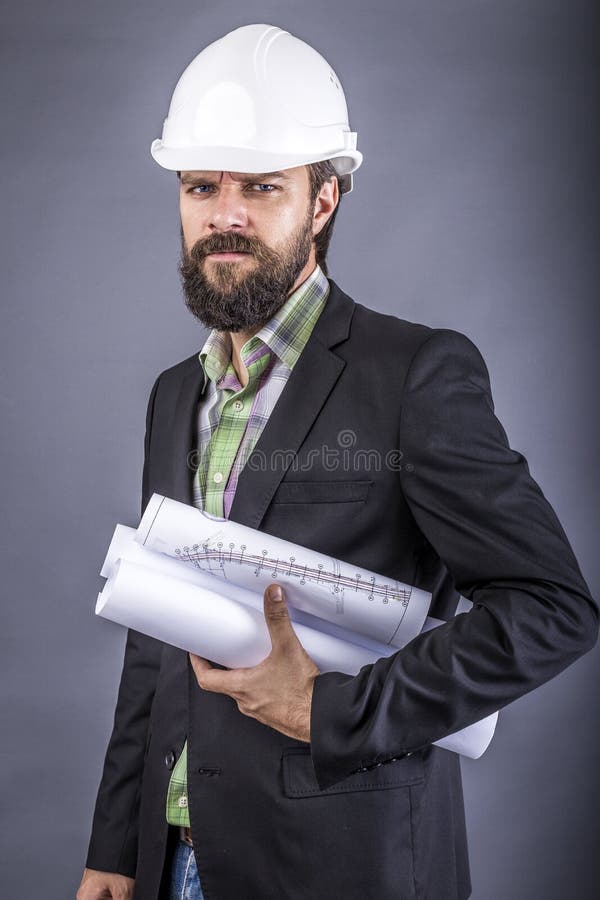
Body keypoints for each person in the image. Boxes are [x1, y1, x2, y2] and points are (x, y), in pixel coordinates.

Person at [77, 23, 597, 900]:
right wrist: (115, 849)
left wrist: (330, 710)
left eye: (261, 188)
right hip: (172, 858)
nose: (225, 215)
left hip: (338, 864)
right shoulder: (176, 394)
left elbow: (553, 610)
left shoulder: (413, 375)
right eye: (202, 186)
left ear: (323, 200)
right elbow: (154, 634)